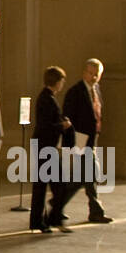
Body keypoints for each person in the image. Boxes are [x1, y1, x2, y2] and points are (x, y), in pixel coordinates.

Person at [54, 57, 113, 224]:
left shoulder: (97, 90)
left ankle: (57, 206)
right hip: (80, 140)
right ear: (84, 72)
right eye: (90, 73)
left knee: (84, 177)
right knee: (90, 174)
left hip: (92, 140)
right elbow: (68, 117)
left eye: (97, 74)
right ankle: (95, 211)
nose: (93, 77)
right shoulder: (75, 92)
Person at [29, 67, 72, 234]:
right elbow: (46, 126)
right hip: (45, 147)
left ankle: (42, 221)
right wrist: (63, 125)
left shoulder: (46, 97)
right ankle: (49, 219)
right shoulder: (47, 99)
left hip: (44, 146)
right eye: (62, 81)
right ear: (56, 81)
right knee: (59, 185)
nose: (62, 84)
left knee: (44, 186)